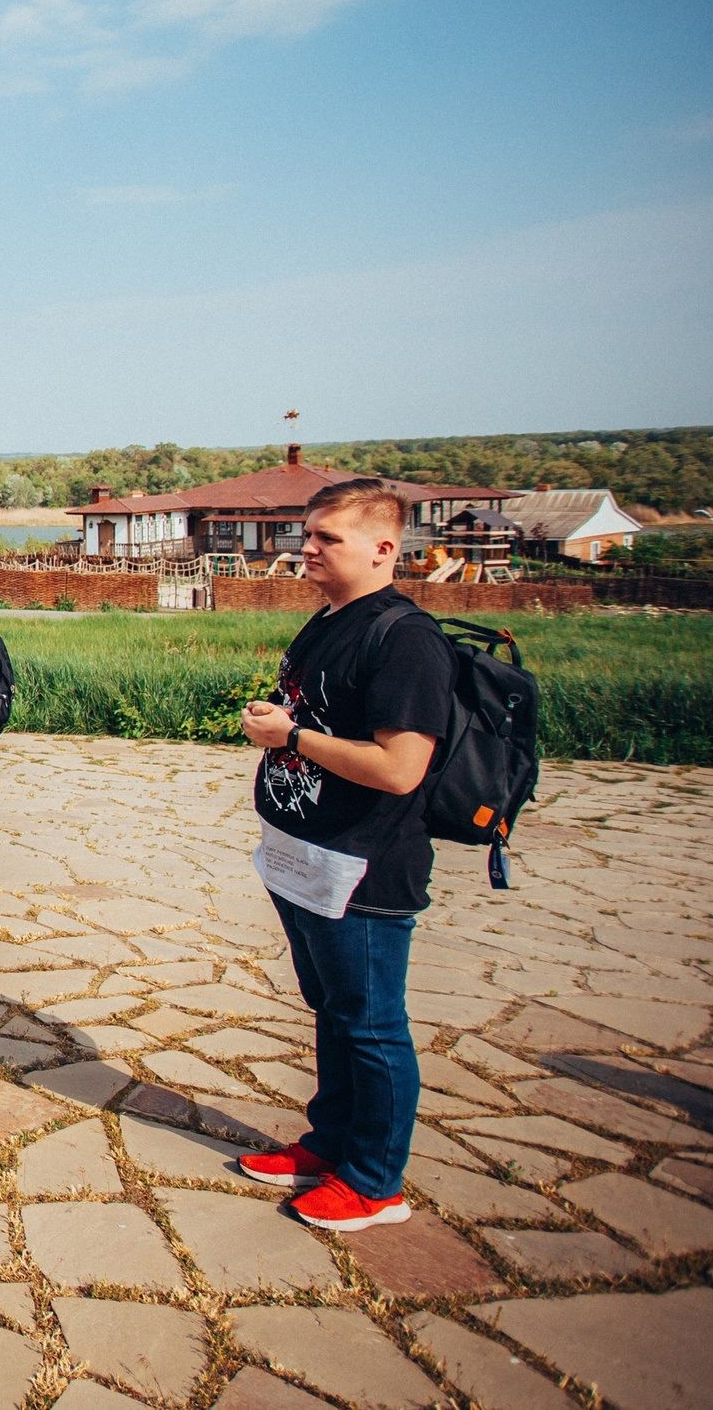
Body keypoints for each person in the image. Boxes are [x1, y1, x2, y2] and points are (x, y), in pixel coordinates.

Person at [237, 478, 451, 1233]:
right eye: (308, 534)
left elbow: (400, 767)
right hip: (304, 852)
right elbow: (320, 710)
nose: (307, 548)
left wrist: (290, 738)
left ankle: (375, 1179)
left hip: (364, 865)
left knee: (370, 1021)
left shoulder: (405, 638)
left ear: (384, 548)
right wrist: (284, 721)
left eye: (327, 537)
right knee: (331, 1007)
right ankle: (331, 1143)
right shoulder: (330, 620)